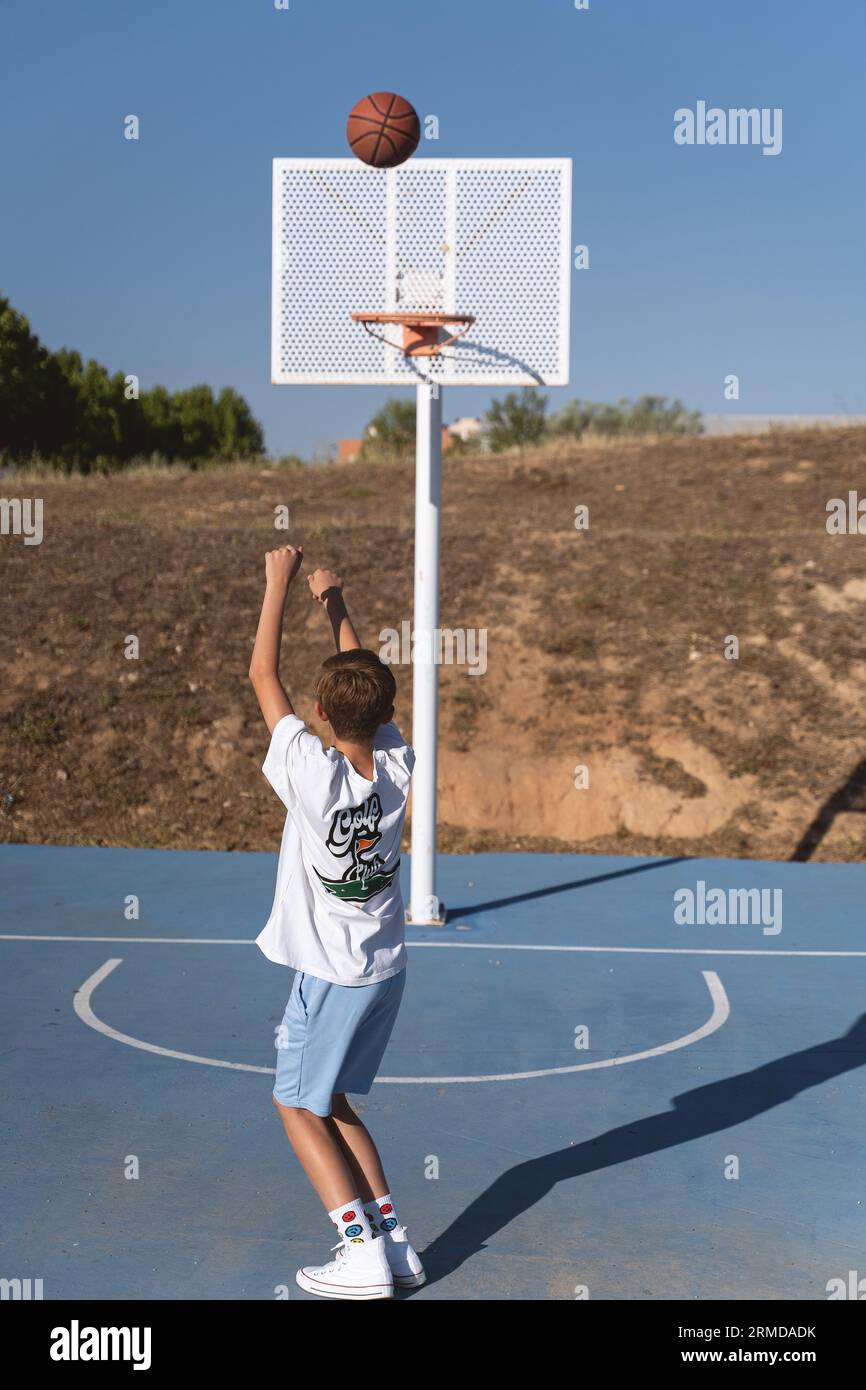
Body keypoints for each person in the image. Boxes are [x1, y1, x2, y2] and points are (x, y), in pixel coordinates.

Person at [248, 542, 424, 1300]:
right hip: (385, 971)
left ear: (319, 713)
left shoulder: (312, 776)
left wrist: (278, 585)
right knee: (336, 1101)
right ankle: (396, 1244)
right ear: (387, 715)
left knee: (294, 1104)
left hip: (331, 977)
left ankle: (359, 1255)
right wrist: (336, 606)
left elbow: (262, 677)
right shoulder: (396, 765)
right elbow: (365, 688)